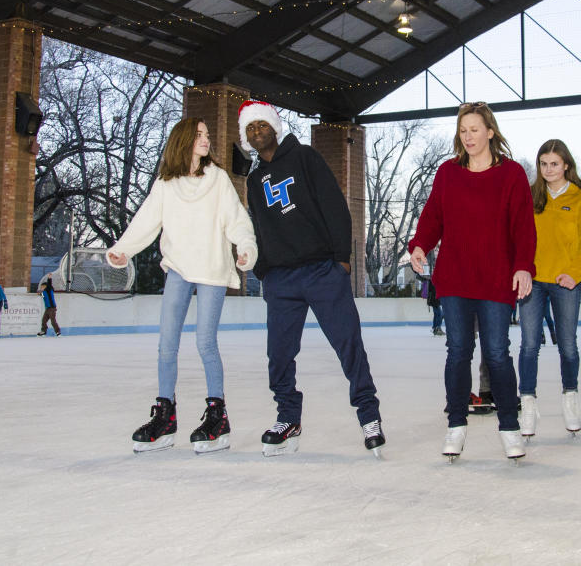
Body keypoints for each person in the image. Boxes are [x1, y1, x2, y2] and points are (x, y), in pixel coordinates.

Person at [240, 100, 383, 457]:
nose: (257, 132)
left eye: (262, 125)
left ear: (274, 127)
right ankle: (288, 418)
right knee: (279, 354)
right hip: (281, 279)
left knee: (348, 345)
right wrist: (264, 270)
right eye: (250, 128)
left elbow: (334, 205)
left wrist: (342, 259)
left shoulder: (305, 157)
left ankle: (369, 416)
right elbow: (259, 227)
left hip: (322, 271)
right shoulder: (254, 180)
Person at [107, 117, 257, 454]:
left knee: (205, 343)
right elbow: (146, 220)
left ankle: (218, 416)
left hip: (211, 270)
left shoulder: (217, 179)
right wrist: (123, 249)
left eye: (207, 134)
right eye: (199, 135)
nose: (206, 140)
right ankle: (165, 417)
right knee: (166, 345)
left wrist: (246, 247)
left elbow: (236, 219)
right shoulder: (167, 183)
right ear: (184, 140)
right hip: (178, 268)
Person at [410, 101, 536, 461]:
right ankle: (456, 424)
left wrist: (523, 266)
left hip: (495, 278)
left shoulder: (511, 174)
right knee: (458, 351)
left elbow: (523, 227)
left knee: (496, 352)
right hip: (456, 277)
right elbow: (433, 215)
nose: (468, 137)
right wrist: (420, 244)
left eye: (475, 130)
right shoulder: (448, 173)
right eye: (463, 131)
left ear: (490, 132)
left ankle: (509, 426)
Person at [517, 139, 581, 437]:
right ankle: (527, 404)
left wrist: (575, 274)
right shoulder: (530, 196)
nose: (548, 169)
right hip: (533, 281)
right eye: (543, 164)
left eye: (554, 163)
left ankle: (570, 398)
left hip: (566, 283)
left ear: (566, 165)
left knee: (567, 345)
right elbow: (518, 235)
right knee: (529, 345)